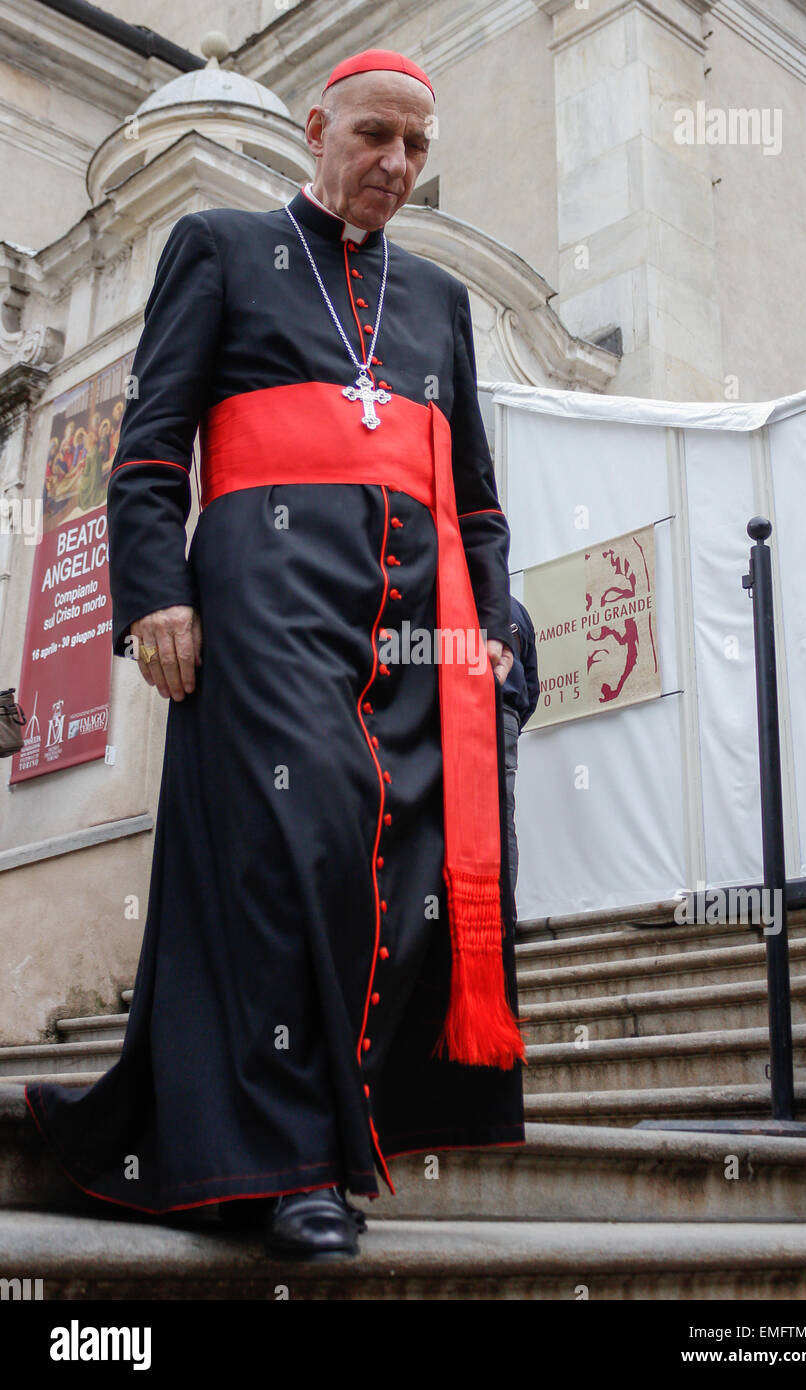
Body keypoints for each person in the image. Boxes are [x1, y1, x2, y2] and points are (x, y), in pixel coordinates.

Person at [24, 48, 526, 1262]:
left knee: (400, 856)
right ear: (316, 127)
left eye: (415, 147)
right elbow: (147, 450)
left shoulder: (438, 301)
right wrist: (156, 596)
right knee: (295, 839)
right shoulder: (219, 244)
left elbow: (477, 500)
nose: (394, 166)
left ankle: (345, 1132)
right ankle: (290, 1164)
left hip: (413, 617)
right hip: (261, 602)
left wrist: (495, 629)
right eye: (372, 138)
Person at [501, 596, 539, 901]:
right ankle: (504, 912)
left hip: (466, 714)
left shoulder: (457, 599)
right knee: (503, 813)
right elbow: (532, 684)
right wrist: (512, 720)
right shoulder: (517, 610)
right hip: (507, 717)